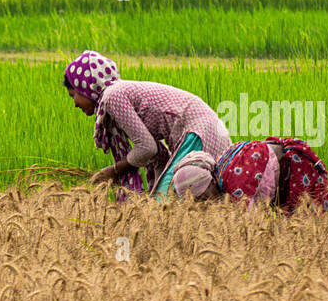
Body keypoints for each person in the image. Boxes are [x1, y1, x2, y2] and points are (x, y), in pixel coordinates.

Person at [63, 50, 232, 198]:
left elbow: (146, 148)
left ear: (86, 87)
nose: (75, 104)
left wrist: (114, 170)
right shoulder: (118, 93)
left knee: (168, 201)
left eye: (73, 95)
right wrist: (154, 190)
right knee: (193, 197)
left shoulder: (112, 96)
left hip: (198, 130)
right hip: (205, 126)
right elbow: (158, 155)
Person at [171, 140, 328, 215]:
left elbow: (256, 222)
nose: (204, 204)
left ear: (210, 181)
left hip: (298, 168)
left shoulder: (234, 184)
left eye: (203, 197)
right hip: (285, 168)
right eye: (197, 202)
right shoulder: (219, 165)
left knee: (308, 225)